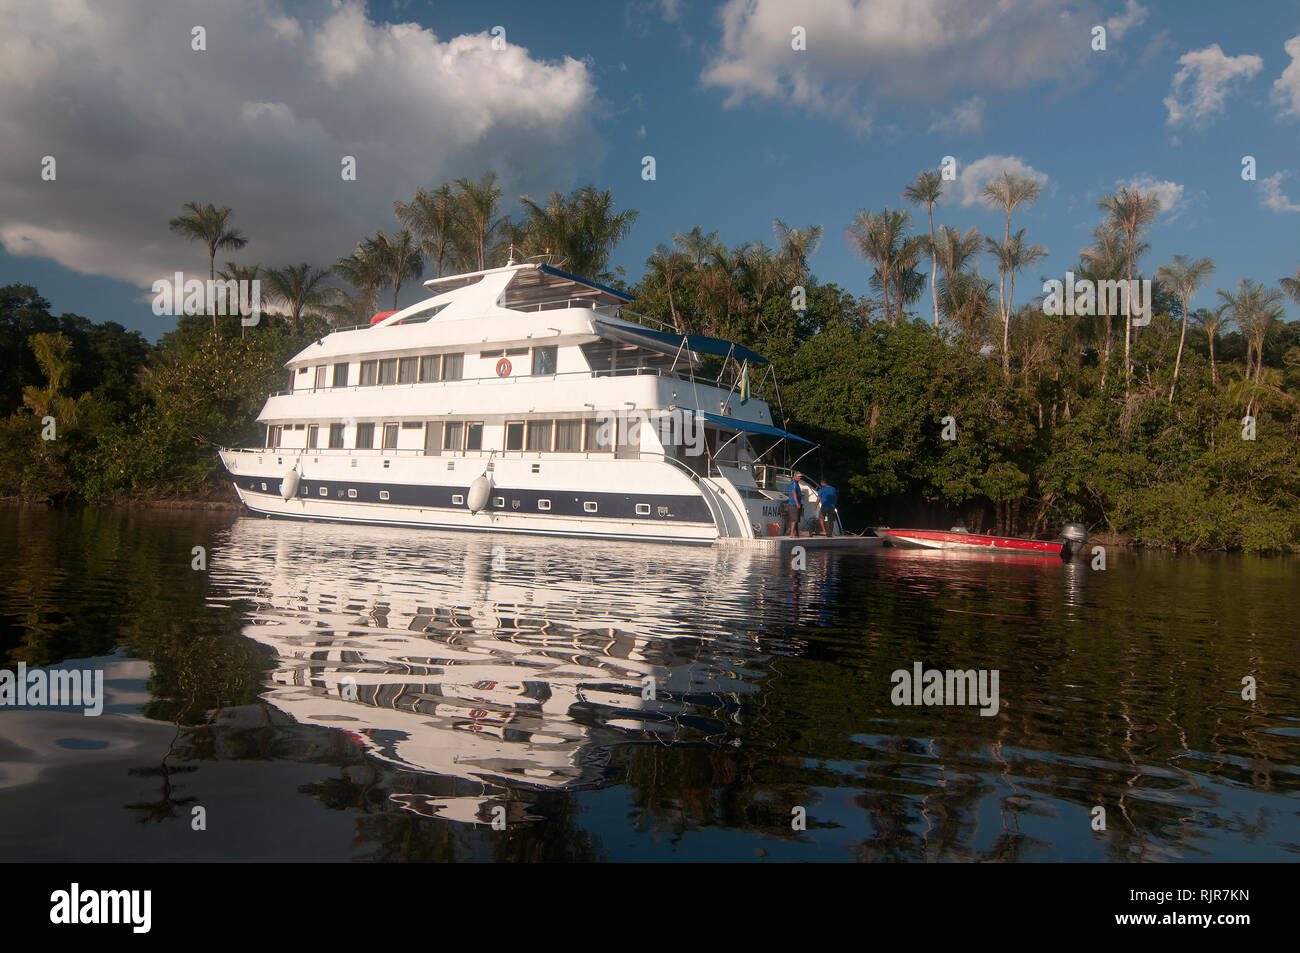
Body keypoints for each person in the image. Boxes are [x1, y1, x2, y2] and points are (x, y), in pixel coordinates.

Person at [784, 471, 803, 537]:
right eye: (799, 476)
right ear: (795, 476)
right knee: (794, 519)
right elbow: (793, 492)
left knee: (796, 519)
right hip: (793, 504)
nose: (800, 478)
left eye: (800, 476)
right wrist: (797, 503)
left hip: (795, 504)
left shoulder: (797, 483)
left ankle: (794, 533)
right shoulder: (794, 483)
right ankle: (791, 534)